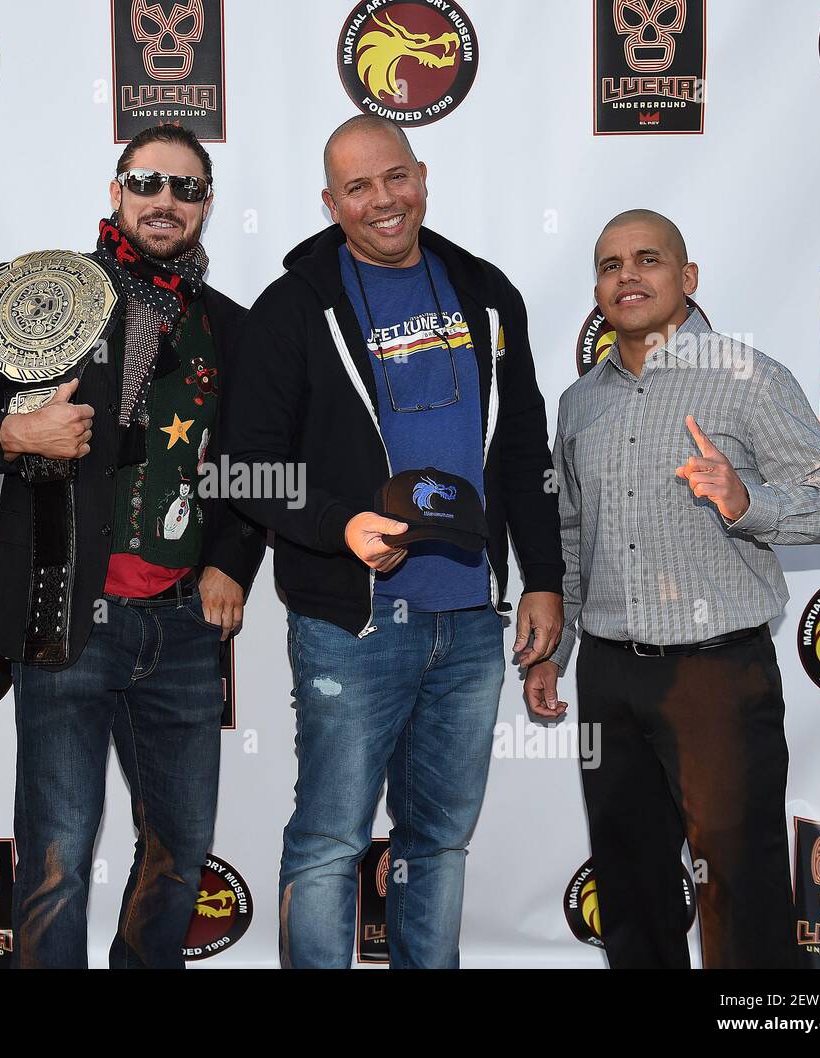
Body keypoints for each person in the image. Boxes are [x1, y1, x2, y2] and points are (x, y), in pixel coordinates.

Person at [220, 115, 564, 968]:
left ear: (422, 176)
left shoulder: (487, 294)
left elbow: (523, 448)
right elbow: (237, 471)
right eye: (359, 188)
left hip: (474, 623)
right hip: (355, 623)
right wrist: (338, 523)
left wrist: (545, 578)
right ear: (332, 203)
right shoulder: (291, 310)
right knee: (332, 840)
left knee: (438, 842)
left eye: (395, 178)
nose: (383, 200)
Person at [0, 123, 264, 969]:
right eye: (148, 182)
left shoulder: (231, 325)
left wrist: (232, 558)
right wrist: (19, 428)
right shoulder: (52, 296)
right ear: (117, 192)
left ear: (207, 206)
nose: (166, 201)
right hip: (64, 613)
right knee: (57, 856)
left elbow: (258, 462)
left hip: (185, 626)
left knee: (181, 851)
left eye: (186, 188)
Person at [526, 208, 820, 968]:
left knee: (740, 889)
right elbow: (572, 539)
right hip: (609, 674)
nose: (627, 276)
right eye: (610, 265)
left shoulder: (749, 378)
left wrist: (749, 503)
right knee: (631, 883)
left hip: (716, 673)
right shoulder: (582, 403)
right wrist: (556, 650)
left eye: (647, 259)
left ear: (689, 276)